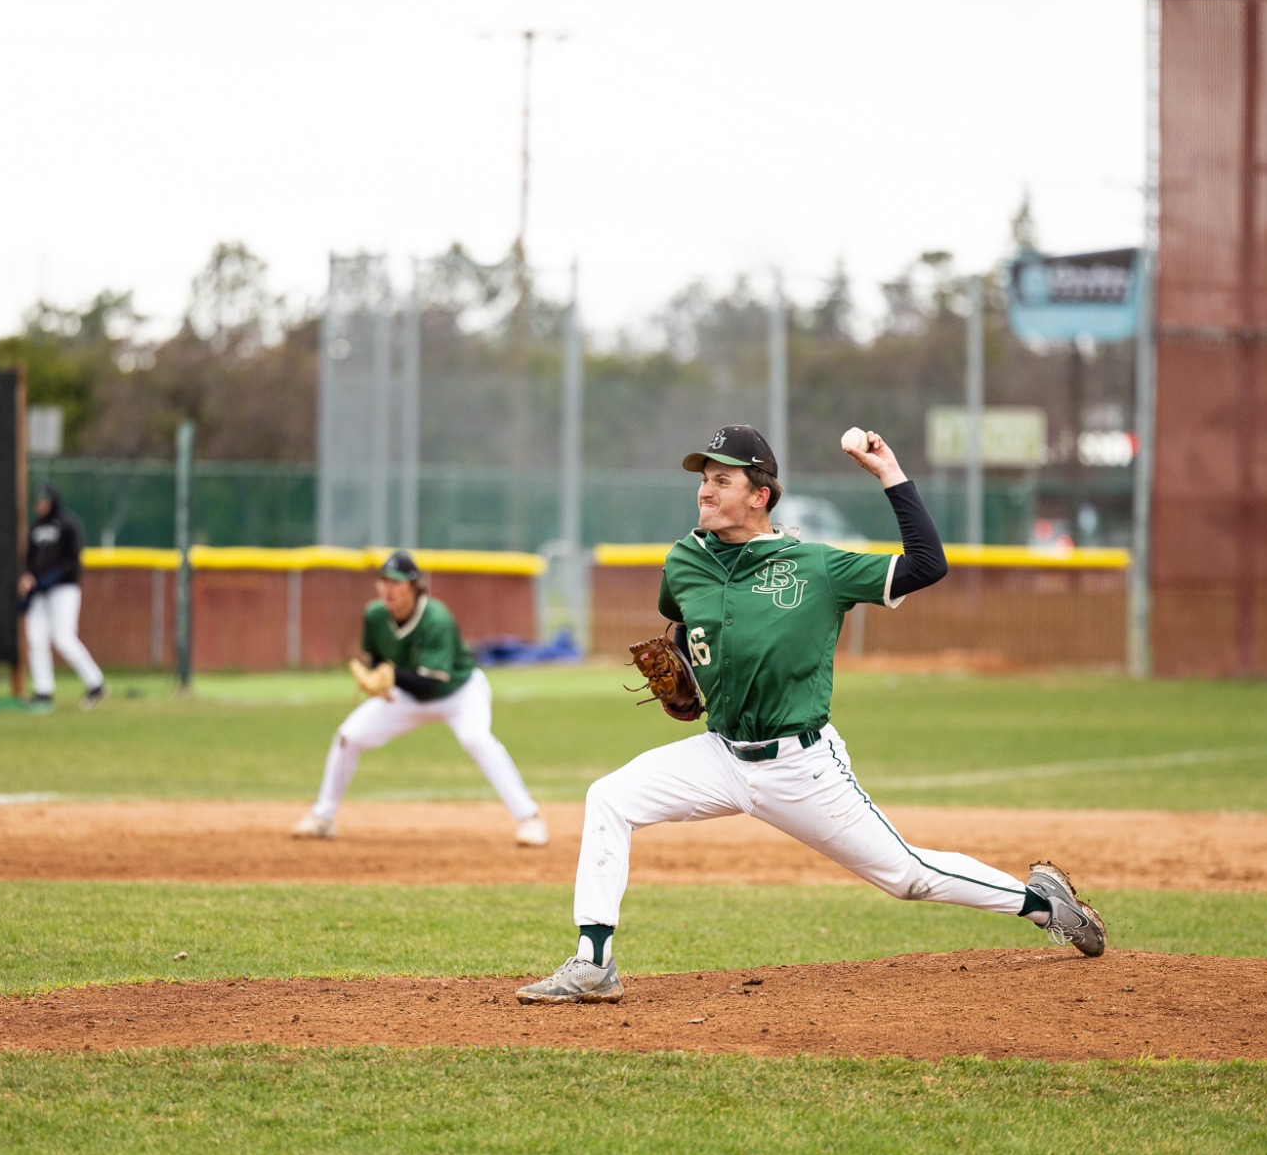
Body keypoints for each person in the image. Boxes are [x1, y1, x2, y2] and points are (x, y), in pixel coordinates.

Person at [516, 425, 1105, 1004]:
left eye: (721, 480)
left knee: (907, 877)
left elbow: (928, 564)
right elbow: (681, 620)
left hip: (800, 766)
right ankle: (594, 963)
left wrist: (889, 473)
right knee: (610, 798)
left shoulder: (816, 567)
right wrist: (692, 671)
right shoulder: (684, 560)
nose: (705, 490)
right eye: (703, 479)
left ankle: (1044, 904)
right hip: (720, 754)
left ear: (760, 495)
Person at [295, 550, 547, 847]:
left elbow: (429, 684)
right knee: (349, 736)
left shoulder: (437, 618)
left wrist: (391, 675)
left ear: (414, 587)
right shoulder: (375, 615)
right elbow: (377, 659)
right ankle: (323, 817)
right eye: (383, 581)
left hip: (459, 693)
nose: (388, 589)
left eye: (396, 582)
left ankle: (530, 819)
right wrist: (379, 675)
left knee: (476, 739)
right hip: (407, 695)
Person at [18, 482, 106, 710]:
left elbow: (73, 559)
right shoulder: (36, 528)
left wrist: (50, 579)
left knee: (64, 639)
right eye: (37, 501)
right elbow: (30, 559)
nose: (40, 505)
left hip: (63, 589)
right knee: (36, 638)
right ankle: (43, 690)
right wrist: (28, 577)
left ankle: (95, 683)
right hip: (39, 592)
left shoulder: (67, 524)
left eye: (44, 500)